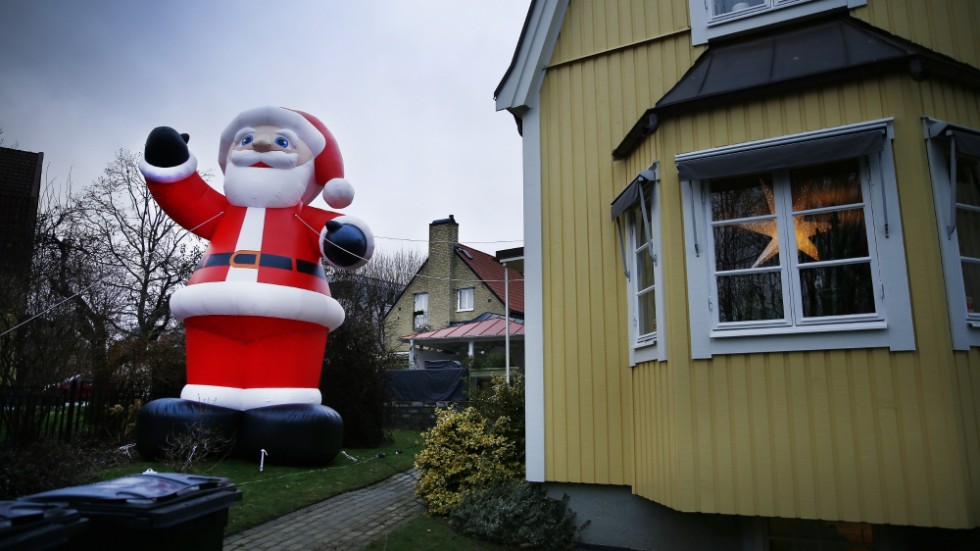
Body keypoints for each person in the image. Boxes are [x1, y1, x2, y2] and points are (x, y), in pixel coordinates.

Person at [135, 106, 372, 465]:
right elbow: (185, 196)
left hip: (291, 320)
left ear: (314, 169)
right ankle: (206, 411)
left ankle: (283, 417)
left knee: (284, 395)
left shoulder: (305, 219)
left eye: (282, 142)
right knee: (208, 390)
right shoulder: (220, 212)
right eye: (246, 139)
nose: (260, 146)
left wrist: (347, 240)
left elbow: (343, 239)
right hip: (212, 313)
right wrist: (169, 162)